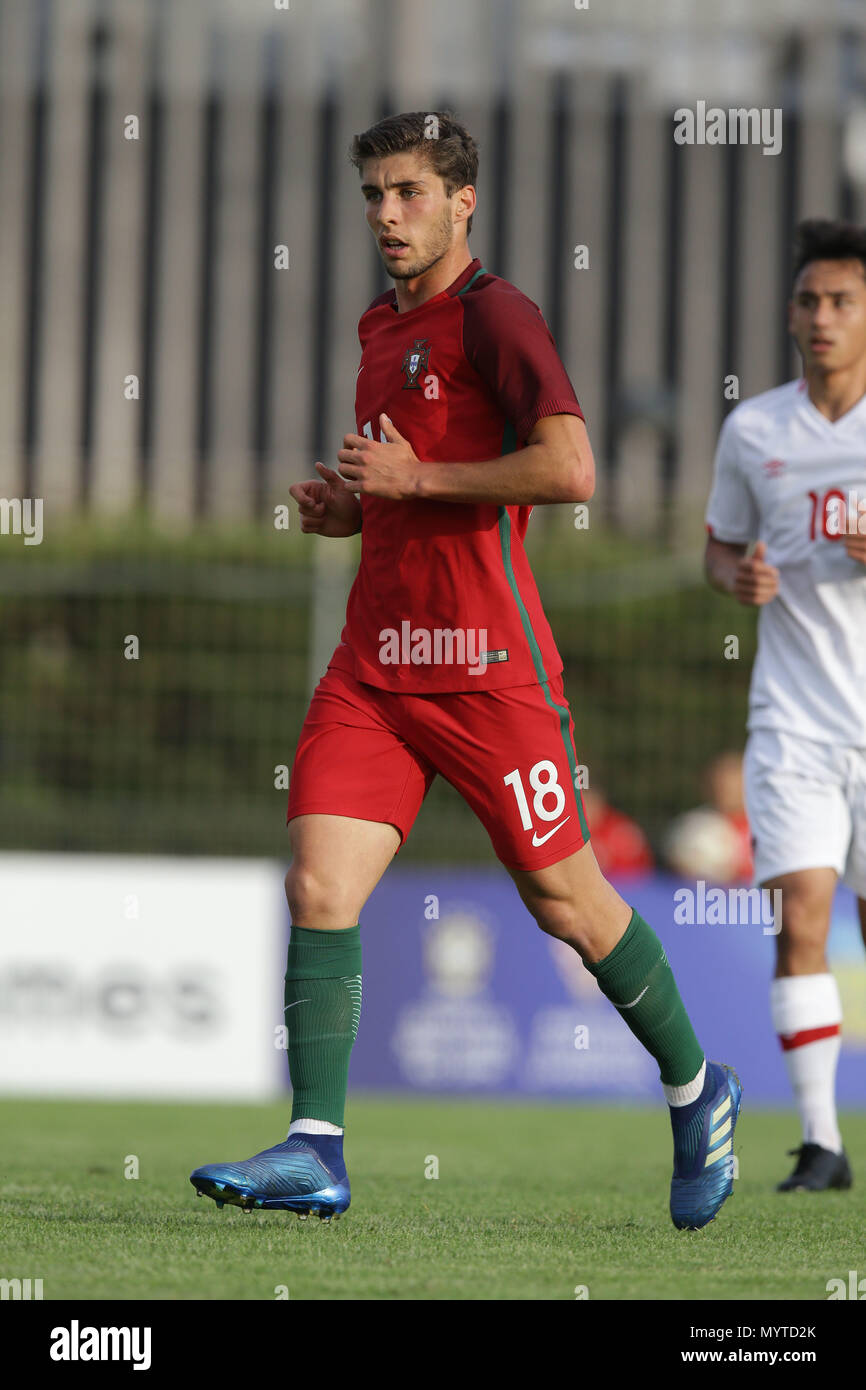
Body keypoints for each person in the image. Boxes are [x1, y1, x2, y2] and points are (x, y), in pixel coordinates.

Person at [190, 110, 740, 1230]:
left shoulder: (499, 316)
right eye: (373, 195)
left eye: (407, 193)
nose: (386, 214)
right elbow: (411, 495)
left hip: (489, 672)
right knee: (317, 884)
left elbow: (570, 468)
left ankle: (696, 1087)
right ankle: (317, 1145)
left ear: (460, 201)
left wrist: (412, 480)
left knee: (566, 902)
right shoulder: (376, 329)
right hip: (375, 668)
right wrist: (350, 510)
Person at [705, 218, 866, 1192]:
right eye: (807, 300)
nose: (820, 317)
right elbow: (717, 546)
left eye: (841, 301)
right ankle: (820, 1140)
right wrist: (737, 578)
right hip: (792, 723)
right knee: (799, 916)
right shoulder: (752, 428)